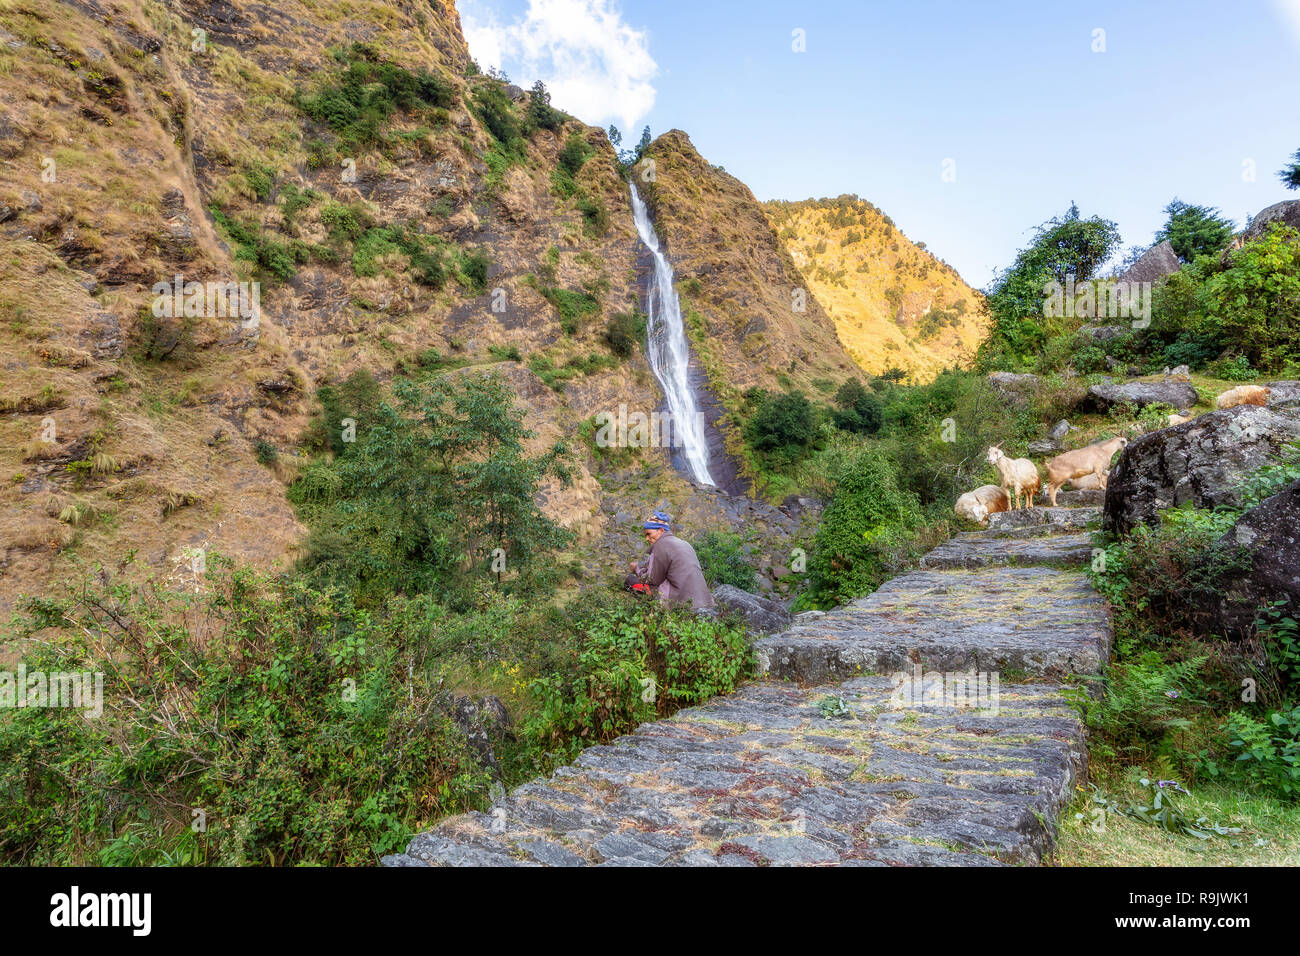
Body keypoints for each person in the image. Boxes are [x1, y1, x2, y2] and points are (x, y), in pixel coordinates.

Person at [627, 510, 714, 610]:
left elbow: (653, 579)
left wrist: (636, 569)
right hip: (704, 600)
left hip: (680, 601)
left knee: (630, 580)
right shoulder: (683, 543)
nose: (647, 538)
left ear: (661, 531)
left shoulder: (660, 545)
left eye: (649, 534)